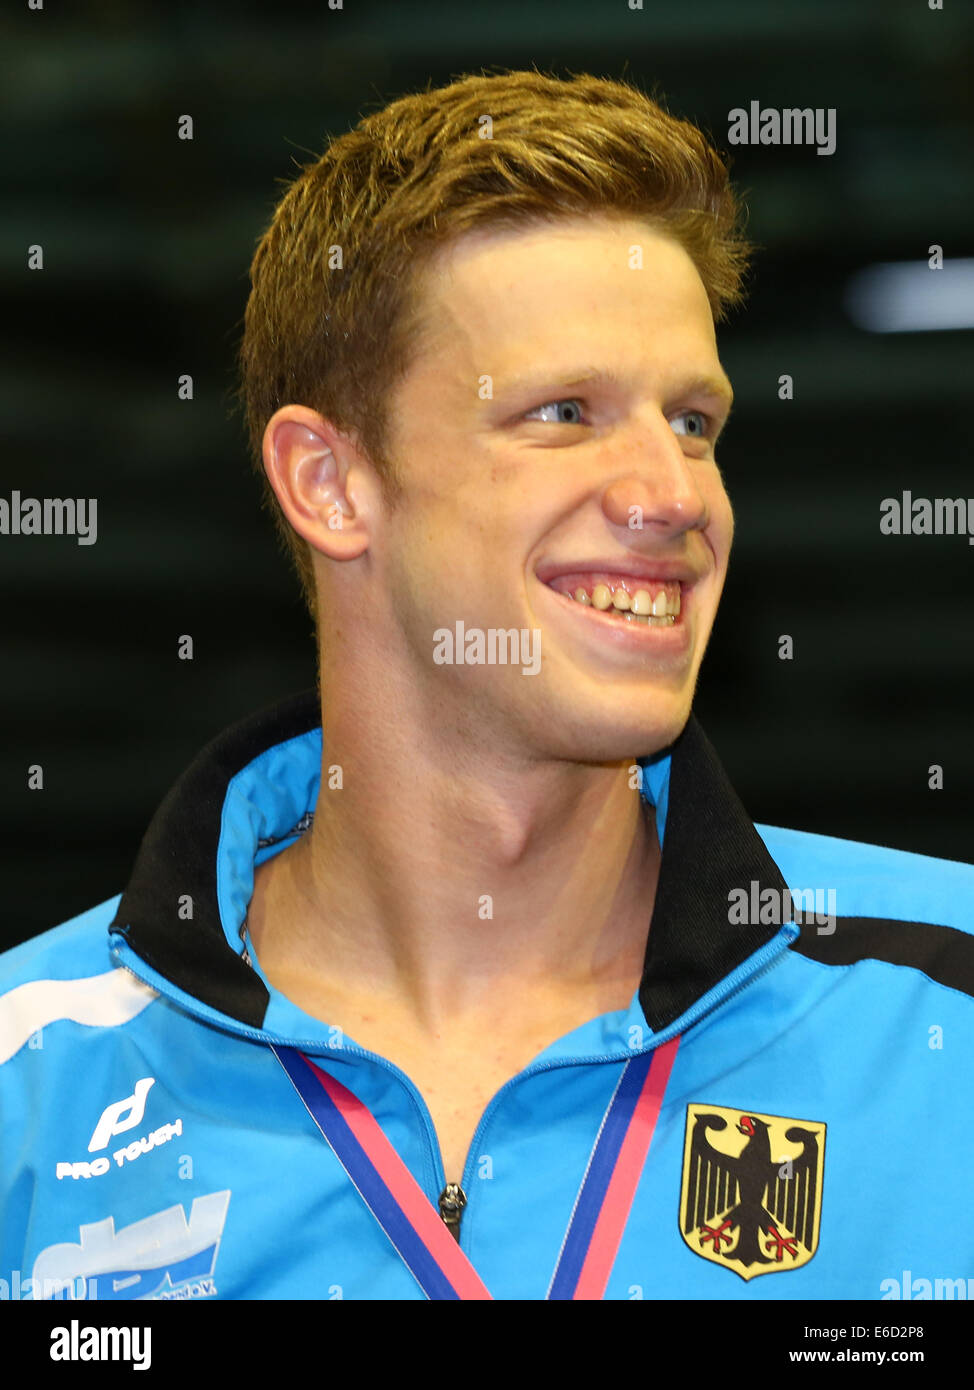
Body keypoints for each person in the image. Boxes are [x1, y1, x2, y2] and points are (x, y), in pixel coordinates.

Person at [2, 69, 972, 1304]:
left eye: (691, 421)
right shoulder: (31, 1084)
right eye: (564, 412)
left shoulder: (944, 1016)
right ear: (330, 486)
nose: (670, 496)